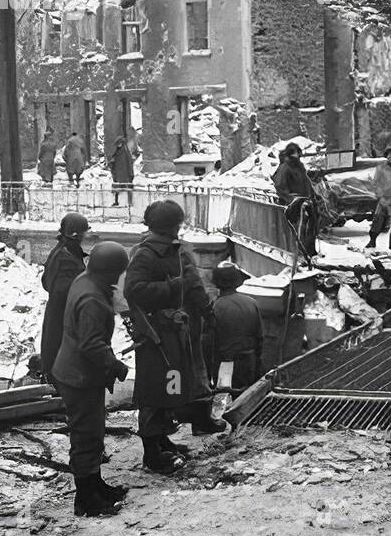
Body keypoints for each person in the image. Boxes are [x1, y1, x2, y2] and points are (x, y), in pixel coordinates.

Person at [124, 200, 222, 475]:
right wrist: (172, 287)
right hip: (156, 338)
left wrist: (203, 308)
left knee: (171, 388)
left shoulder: (171, 251)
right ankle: (151, 453)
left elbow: (191, 283)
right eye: (175, 225)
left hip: (173, 336)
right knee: (153, 393)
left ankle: (162, 439)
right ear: (169, 226)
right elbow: (134, 290)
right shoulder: (145, 254)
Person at [50, 242, 131, 516]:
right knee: (85, 436)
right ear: (110, 272)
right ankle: (86, 500)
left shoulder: (85, 280)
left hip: (79, 372)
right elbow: (92, 344)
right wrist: (116, 365)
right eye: (119, 272)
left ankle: (96, 485)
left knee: (93, 433)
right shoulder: (93, 299)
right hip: (79, 376)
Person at [39, 212, 91, 379]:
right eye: (84, 232)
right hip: (62, 316)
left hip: (62, 313)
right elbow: (57, 287)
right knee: (60, 356)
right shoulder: (64, 256)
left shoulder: (65, 251)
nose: (86, 235)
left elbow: (46, 281)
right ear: (75, 234)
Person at [209, 261, 263, 393]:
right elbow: (260, 338)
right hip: (248, 361)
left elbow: (209, 342)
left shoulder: (215, 307)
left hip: (225, 363)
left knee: (223, 398)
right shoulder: (252, 303)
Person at [272, 143, 318, 257]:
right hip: (294, 204)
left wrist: (313, 194)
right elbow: (280, 186)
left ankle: (309, 251)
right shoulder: (285, 167)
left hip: (305, 201)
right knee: (299, 228)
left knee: (311, 225)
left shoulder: (299, 167)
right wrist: (291, 199)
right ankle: (300, 253)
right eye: (295, 154)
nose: (297, 156)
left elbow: (306, 182)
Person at [108, 135, 135, 206]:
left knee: (128, 187)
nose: (118, 145)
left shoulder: (125, 151)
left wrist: (130, 172)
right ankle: (116, 201)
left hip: (125, 173)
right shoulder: (117, 151)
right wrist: (111, 162)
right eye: (117, 144)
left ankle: (130, 202)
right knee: (117, 187)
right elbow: (113, 160)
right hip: (118, 173)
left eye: (119, 143)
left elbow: (129, 162)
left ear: (122, 143)